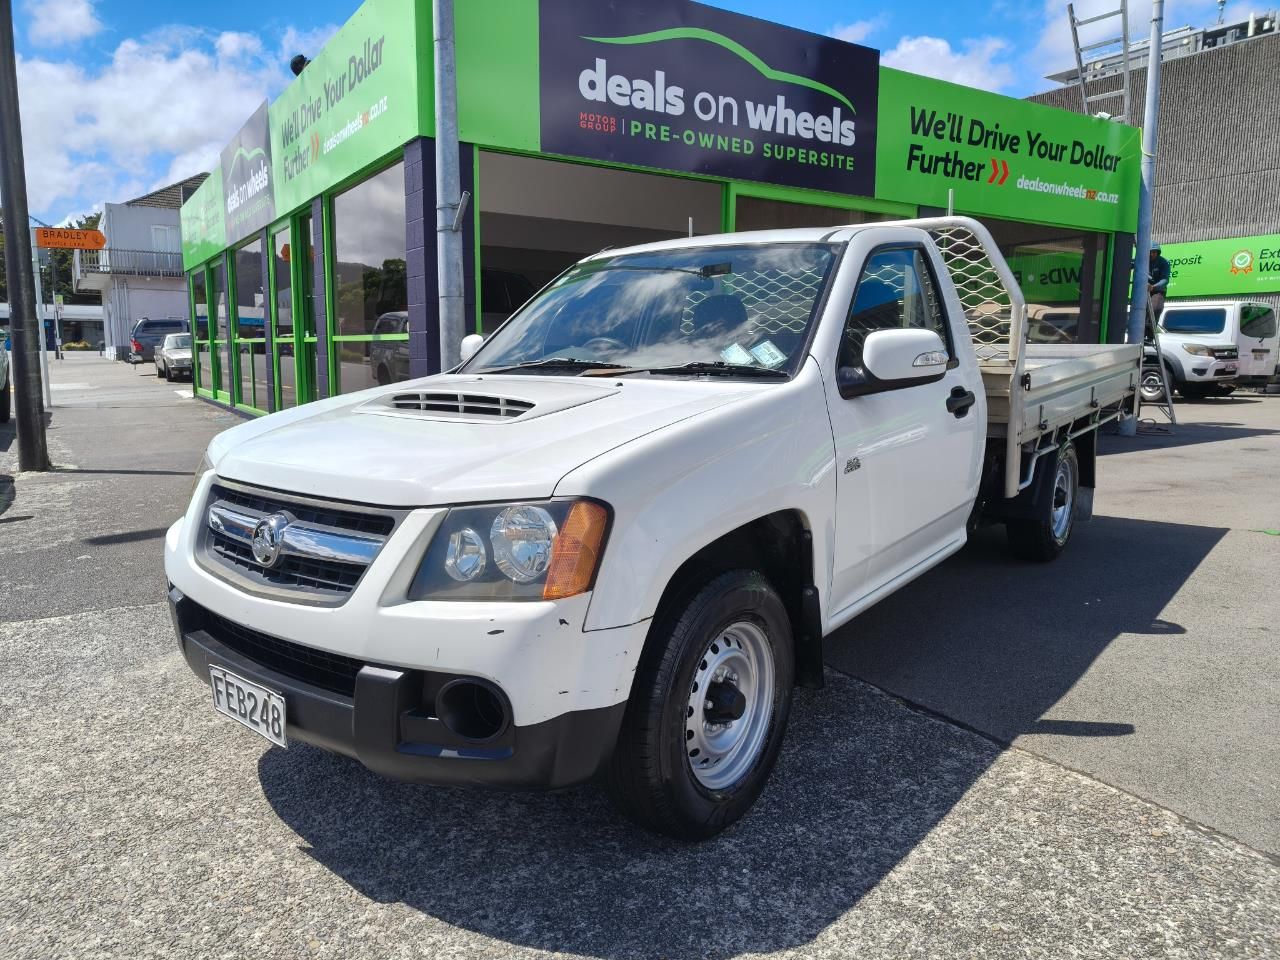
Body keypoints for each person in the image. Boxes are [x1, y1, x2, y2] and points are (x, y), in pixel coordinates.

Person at [1148, 242, 1171, 320]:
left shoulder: (1163, 262)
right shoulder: (1141, 261)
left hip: (1157, 291)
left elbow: (1165, 280)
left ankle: (1150, 330)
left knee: (1155, 308)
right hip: (1143, 291)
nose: (1151, 254)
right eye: (1149, 252)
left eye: (1154, 252)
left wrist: (1153, 286)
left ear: (1158, 253)